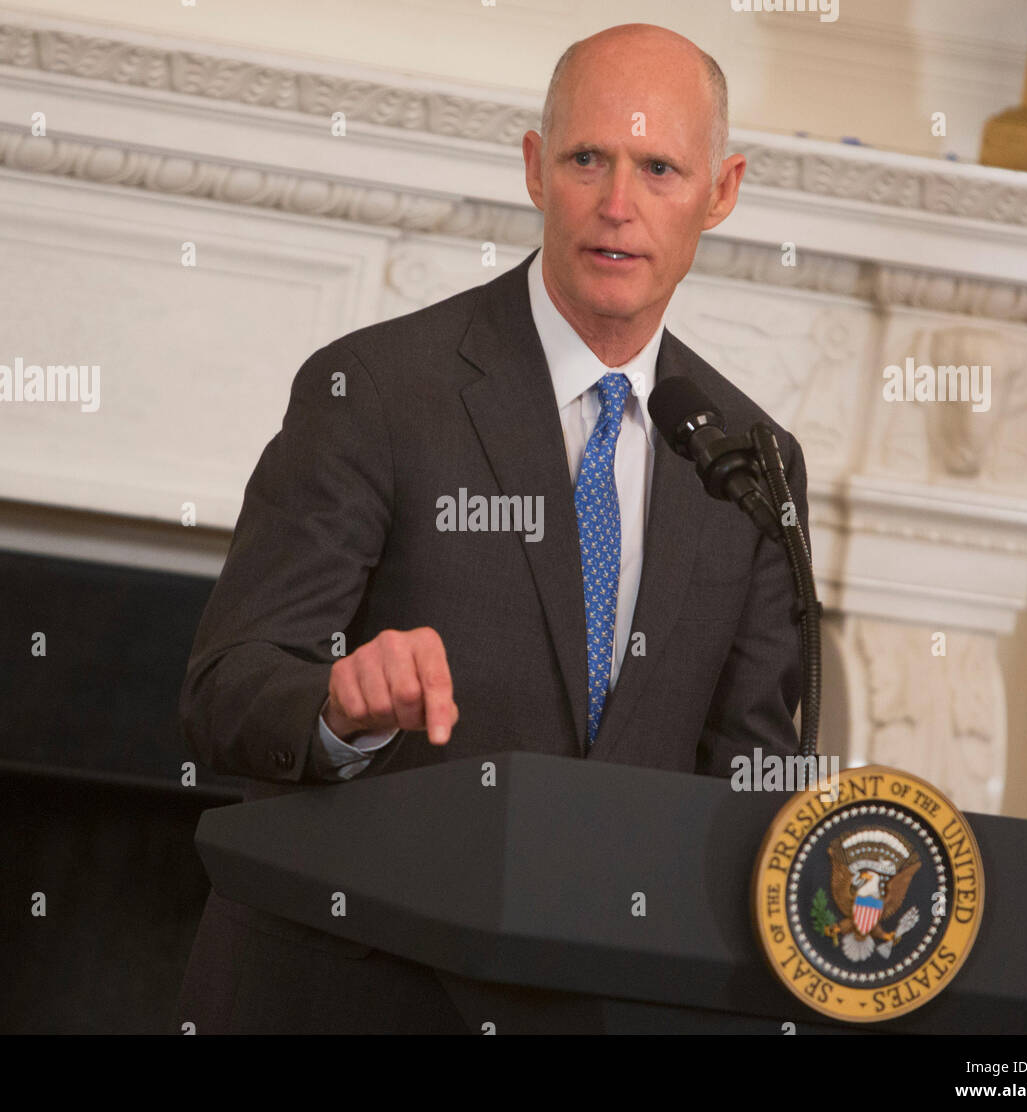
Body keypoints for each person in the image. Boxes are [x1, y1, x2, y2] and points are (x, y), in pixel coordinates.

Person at [176, 23, 809, 1034]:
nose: (617, 205)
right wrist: (337, 708)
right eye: (586, 159)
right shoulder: (375, 392)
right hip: (346, 993)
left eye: (658, 168)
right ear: (532, 167)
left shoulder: (750, 458)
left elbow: (749, 783)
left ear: (721, 192)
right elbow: (226, 686)